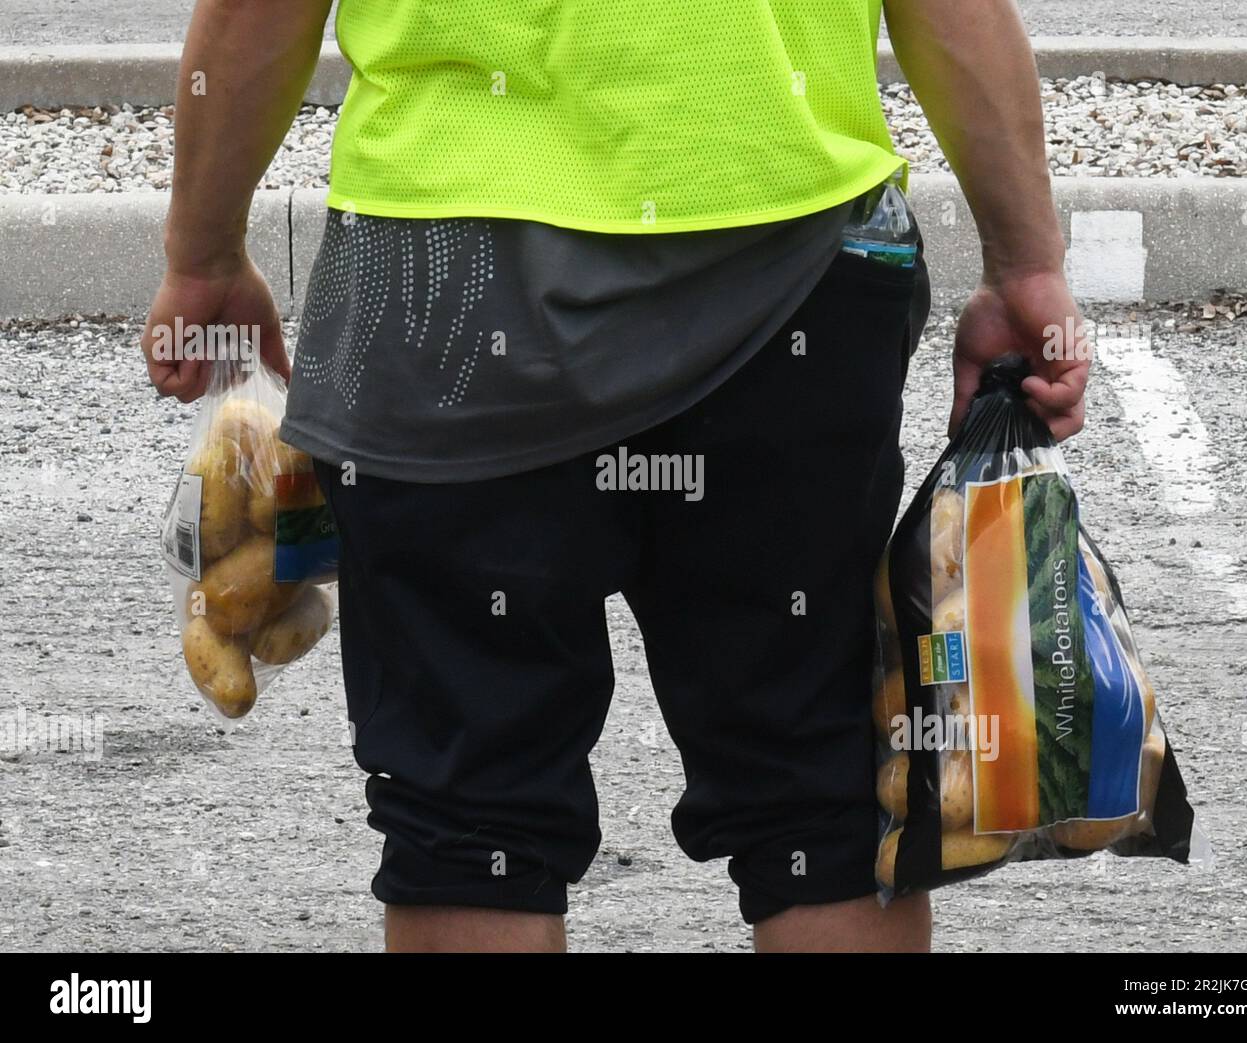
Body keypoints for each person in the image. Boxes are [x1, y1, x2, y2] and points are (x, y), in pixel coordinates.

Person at [143, 0, 1090, 953]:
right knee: (818, 792)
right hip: (788, 258)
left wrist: (204, 256)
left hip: (446, 277)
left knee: (468, 817)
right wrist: (1024, 262)